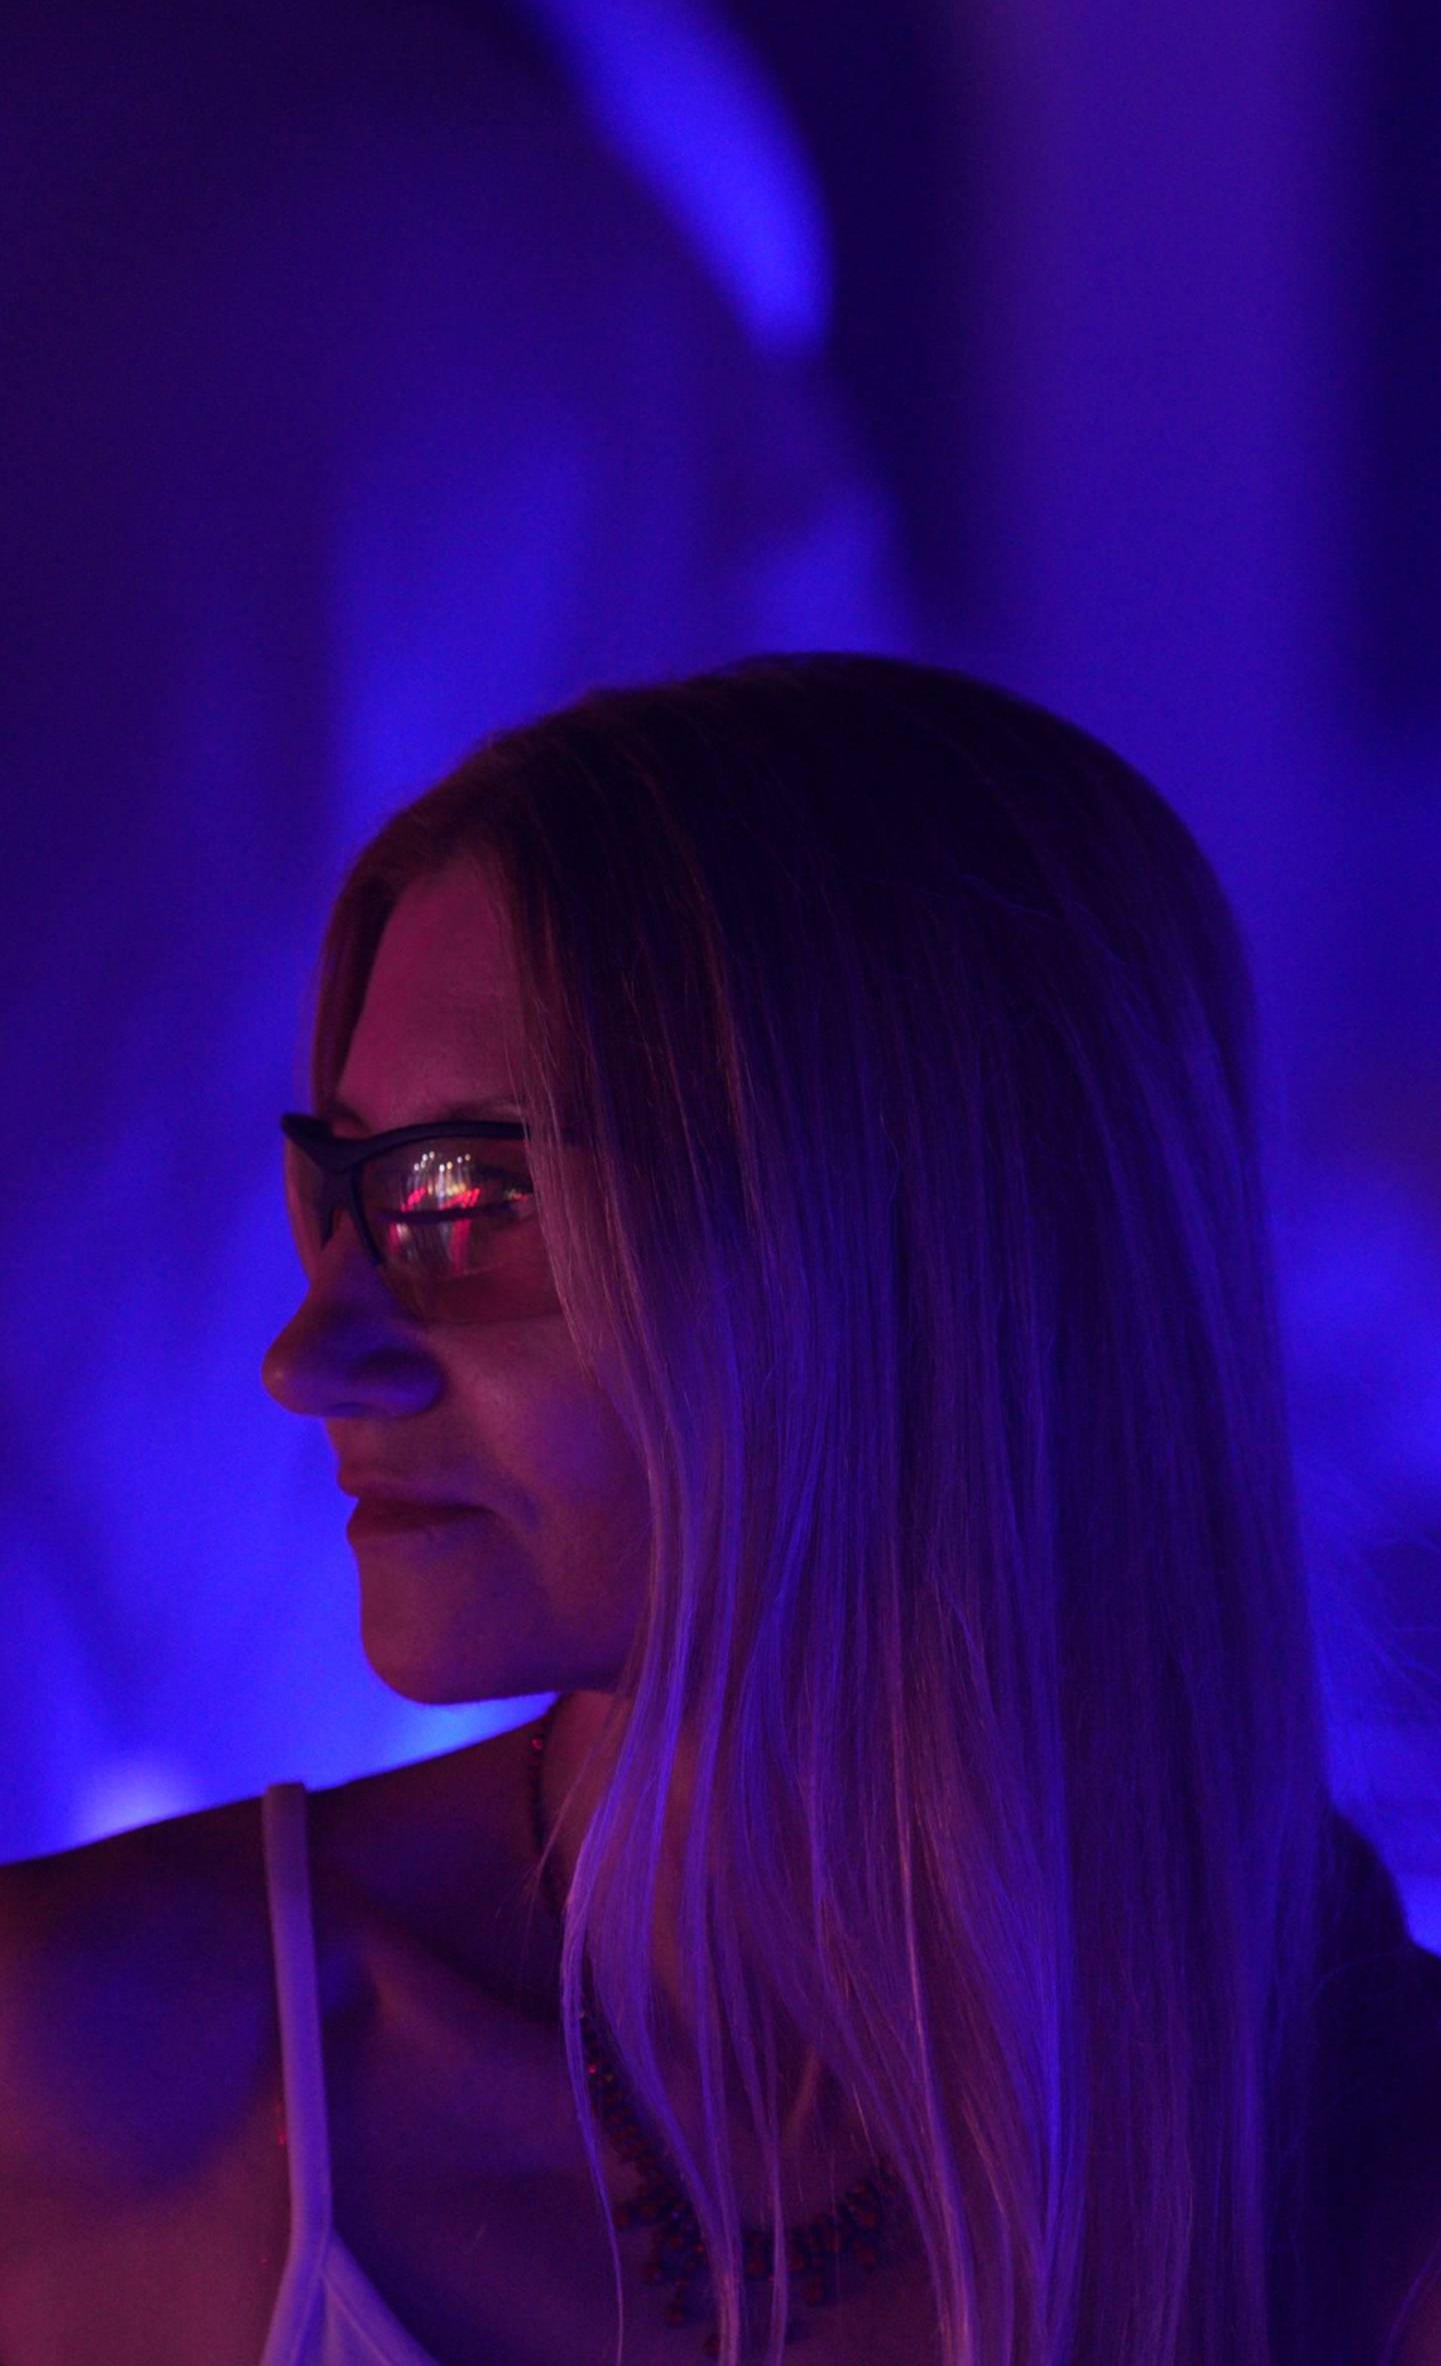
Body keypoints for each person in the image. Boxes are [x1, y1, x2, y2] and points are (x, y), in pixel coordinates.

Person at [2, 649, 1439, 2366]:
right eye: (347, 1189)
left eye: (467, 1196)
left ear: (912, 1250)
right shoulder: (96, 2076)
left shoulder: (1363, 2154)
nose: (311, 1357)